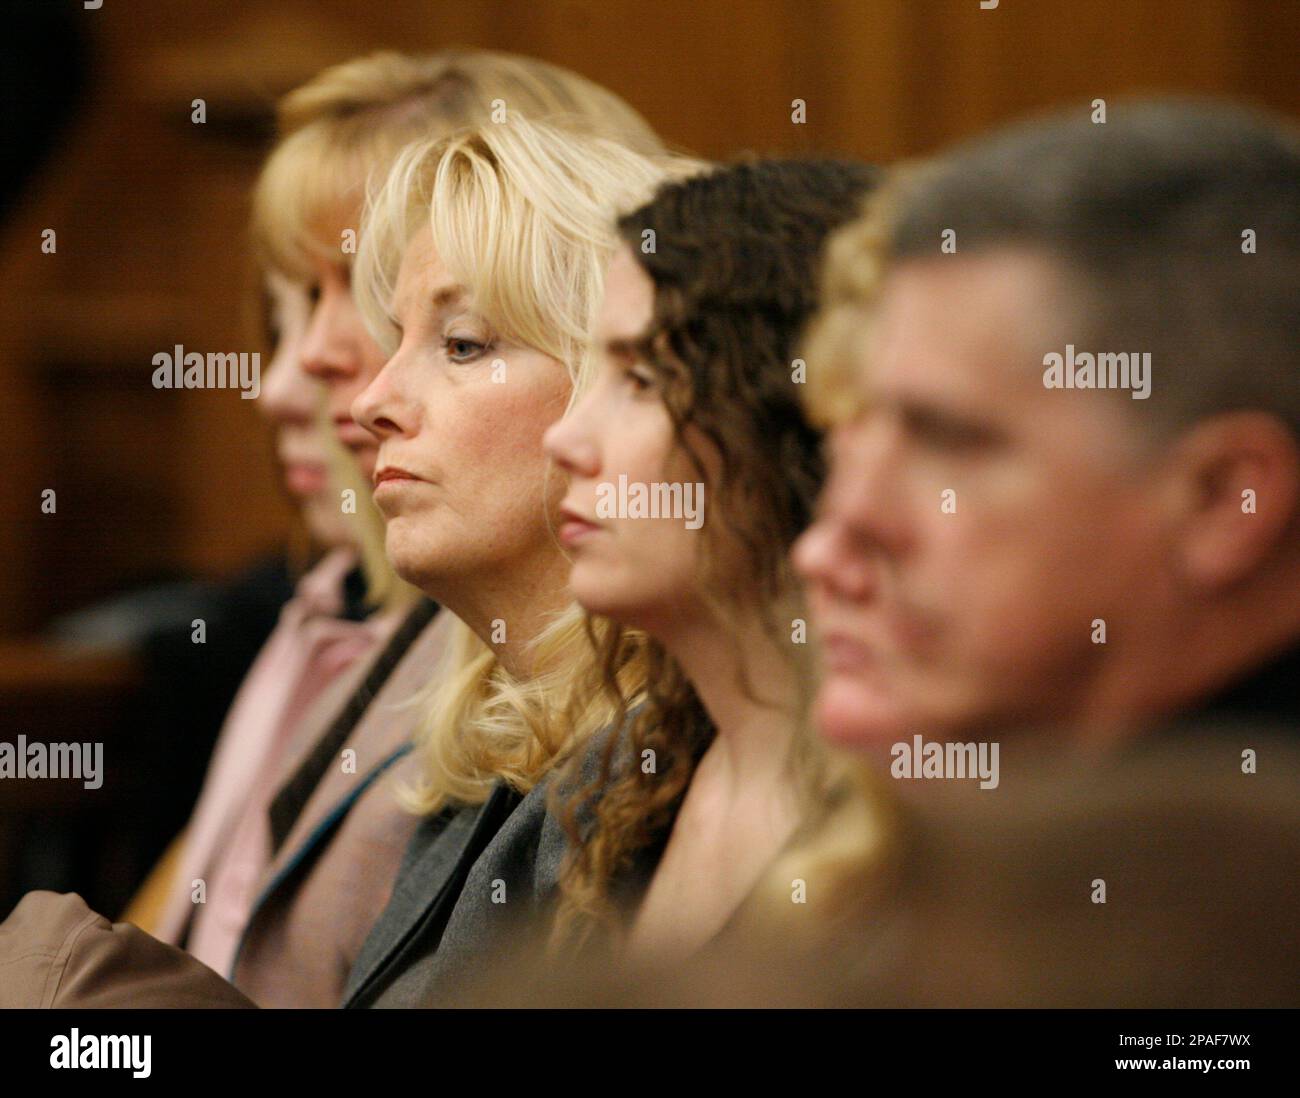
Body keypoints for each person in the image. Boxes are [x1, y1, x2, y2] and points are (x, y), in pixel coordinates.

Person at [541, 159, 877, 962]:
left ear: (791, 418)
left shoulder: (919, 826)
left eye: (644, 378)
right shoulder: (621, 784)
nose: (565, 440)